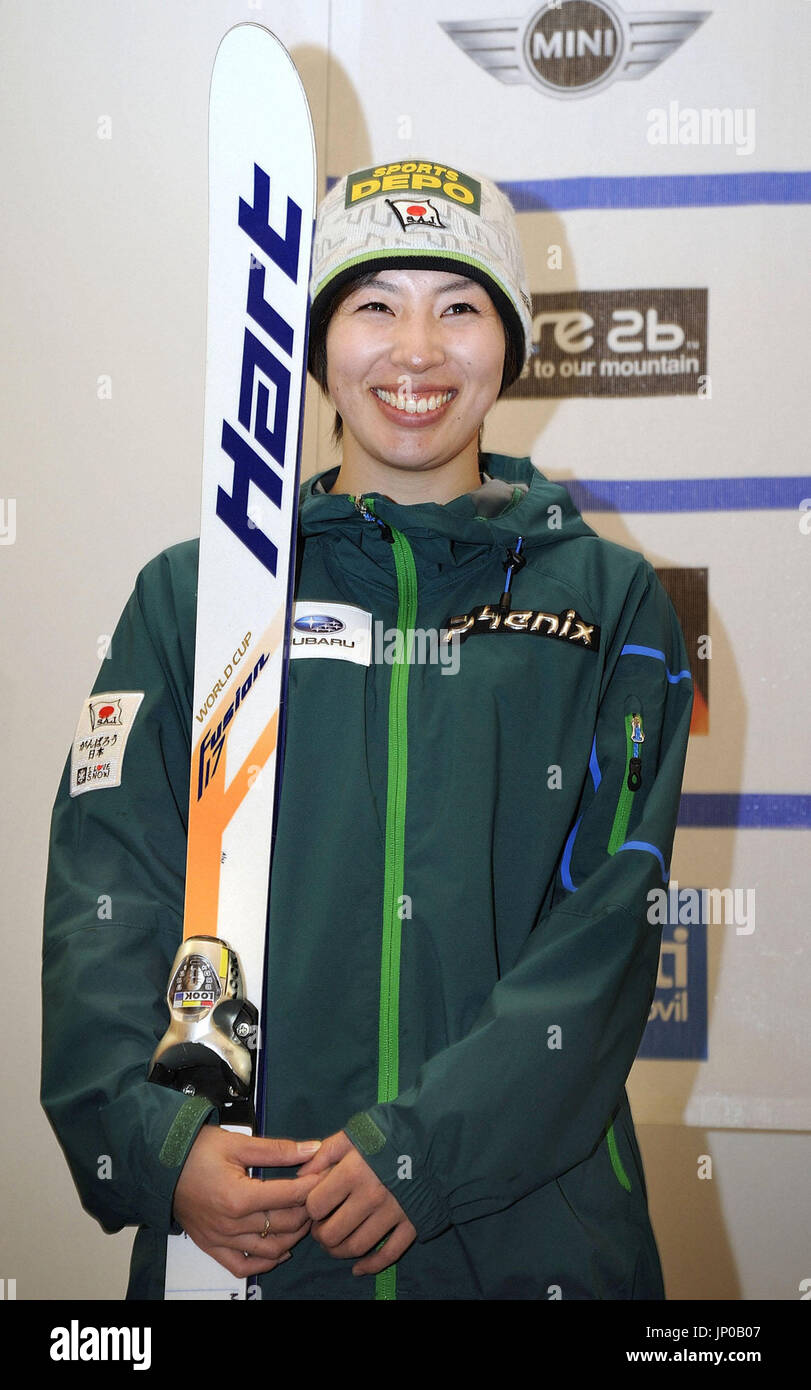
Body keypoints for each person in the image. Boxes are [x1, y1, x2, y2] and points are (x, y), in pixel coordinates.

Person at [42, 157, 693, 1300]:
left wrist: (424, 1152)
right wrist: (155, 1144)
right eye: (372, 305)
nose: (416, 352)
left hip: (525, 1243)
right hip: (250, 1236)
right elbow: (107, 888)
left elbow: (607, 931)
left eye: (458, 307)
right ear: (315, 339)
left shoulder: (609, 602)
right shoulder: (195, 599)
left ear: (509, 343)